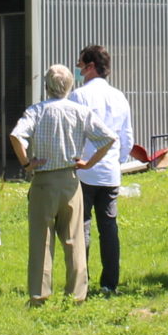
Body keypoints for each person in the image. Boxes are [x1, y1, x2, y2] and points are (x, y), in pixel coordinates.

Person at [10, 63, 115, 304]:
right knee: (74, 240)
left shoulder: (36, 111)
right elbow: (109, 138)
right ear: (70, 86)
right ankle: (76, 294)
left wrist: (27, 163)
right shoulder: (81, 111)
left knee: (41, 240)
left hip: (44, 181)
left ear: (46, 86)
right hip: (70, 180)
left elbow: (16, 136)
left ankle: (39, 295)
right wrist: (88, 164)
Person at [72, 44, 134, 293]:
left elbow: (74, 133)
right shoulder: (119, 96)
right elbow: (127, 137)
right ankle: (110, 283)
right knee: (109, 228)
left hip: (85, 169)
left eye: (80, 65)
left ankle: (81, 283)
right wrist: (115, 161)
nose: (78, 70)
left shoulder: (80, 95)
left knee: (82, 226)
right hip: (109, 172)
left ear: (90, 67)